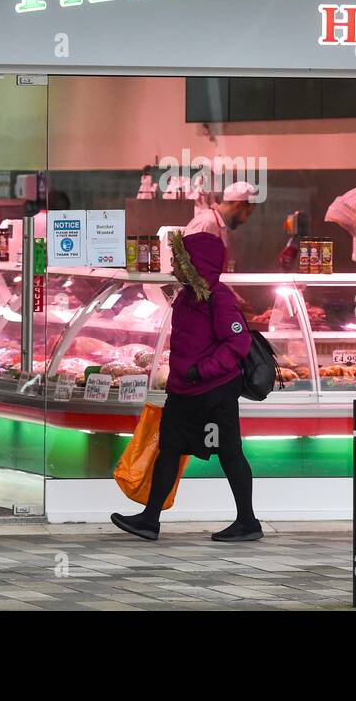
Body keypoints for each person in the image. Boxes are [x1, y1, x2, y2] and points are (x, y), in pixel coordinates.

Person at [111, 230, 262, 543]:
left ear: (196, 264)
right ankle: (150, 519)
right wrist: (182, 374)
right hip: (183, 390)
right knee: (169, 449)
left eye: (180, 259)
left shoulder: (218, 298)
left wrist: (200, 369)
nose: (174, 264)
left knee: (230, 454)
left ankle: (248, 521)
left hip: (215, 392)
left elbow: (238, 341)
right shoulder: (187, 295)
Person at [183, 180, 259, 261]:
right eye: (247, 213)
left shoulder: (218, 225)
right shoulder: (207, 223)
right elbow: (190, 266)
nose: (245, 220)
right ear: (238, 205)